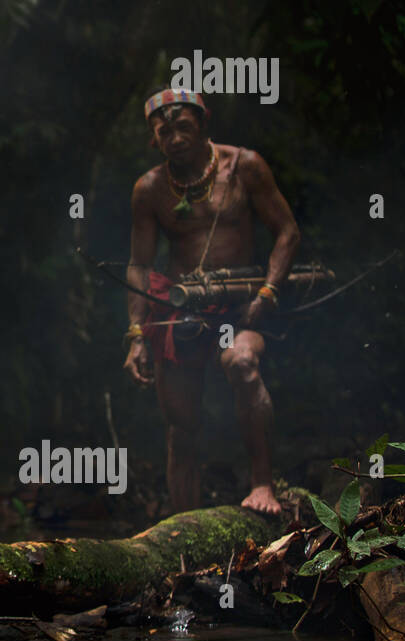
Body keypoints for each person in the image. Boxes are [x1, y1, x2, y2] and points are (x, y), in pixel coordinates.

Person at [123, 89, 300, 516]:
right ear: (154, 139)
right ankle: (186, 526)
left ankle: (263, 485)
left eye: (184, 127)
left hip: (240, 303)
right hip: (181, 309)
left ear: (203, 126)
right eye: (164, 131)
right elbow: (139, 267)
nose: (176, 138)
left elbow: (287, 232)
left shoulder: (245, 167)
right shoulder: (149, 189)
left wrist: (268, 292)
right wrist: (136, 335)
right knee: (181, 428)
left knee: (241, 362)